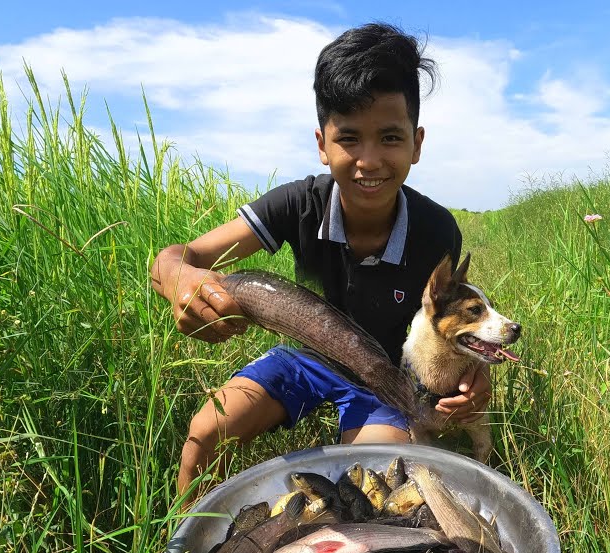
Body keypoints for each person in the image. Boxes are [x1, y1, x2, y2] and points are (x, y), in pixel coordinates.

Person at [149, 22, 491, 498]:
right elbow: (175, 257)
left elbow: (447, 325)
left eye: (390, 138)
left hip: (387, 380)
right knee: (204, 433)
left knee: (366, 476)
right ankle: (184, 549)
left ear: (417, 142)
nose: (368, 160)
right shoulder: (297, 205)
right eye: (349, 138)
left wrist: (473, 381)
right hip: (305, 359)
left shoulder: (436, 231)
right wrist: (181, 278)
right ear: (322, 143)